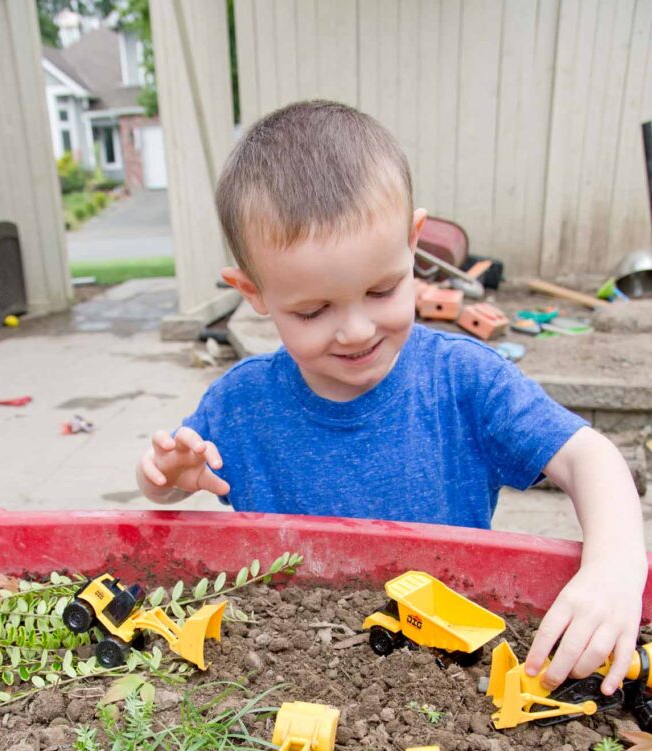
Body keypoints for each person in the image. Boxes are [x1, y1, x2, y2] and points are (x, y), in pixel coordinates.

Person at [137, 100, 647, 696]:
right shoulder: (241, 404)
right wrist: (167, 476)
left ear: (412, 248)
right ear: (254, 293)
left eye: (383, 289)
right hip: (287, 668)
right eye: (313, 310)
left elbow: (591, 458)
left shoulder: (463, 382)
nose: (356, 330)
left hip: (448, 662)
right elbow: (168, 488)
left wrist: (614, 566)